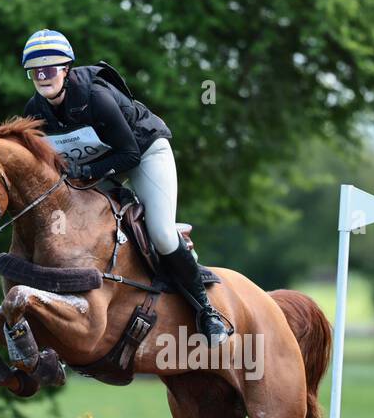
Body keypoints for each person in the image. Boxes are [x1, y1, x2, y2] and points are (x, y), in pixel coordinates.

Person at [19, 29, 228, 345]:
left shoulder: (95, 97)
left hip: (143, 153)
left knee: (159, 232)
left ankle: (206, 311)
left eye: (49, 69)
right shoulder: (34, 111)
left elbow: (128, 153)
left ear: (65, 69)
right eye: (35, 72)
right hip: (98, 166)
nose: (43, 77)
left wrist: (87, 171)